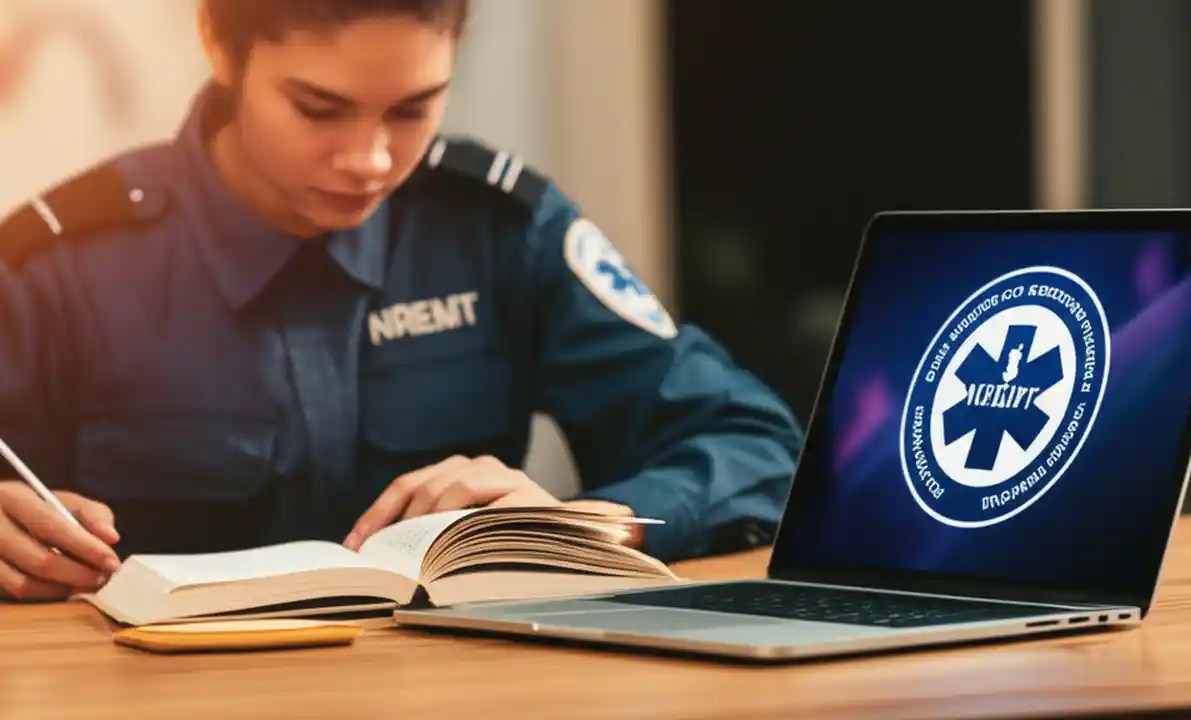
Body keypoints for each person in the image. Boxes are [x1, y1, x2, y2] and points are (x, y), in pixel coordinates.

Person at [0, 0, 802, 601]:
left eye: (413, 108)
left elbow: (754, 445)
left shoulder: (498, 229)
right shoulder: (60, 262)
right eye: (320, 109)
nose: (370, 159)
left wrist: (583, 525)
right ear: (218, 41)